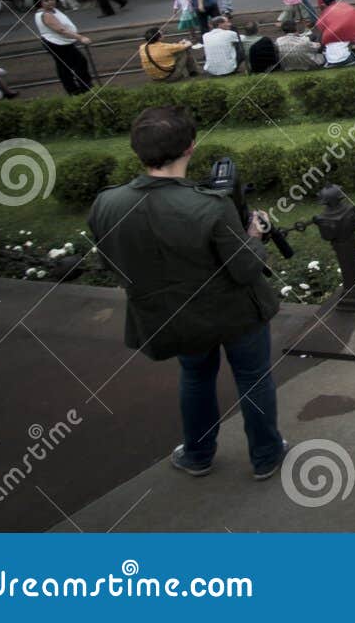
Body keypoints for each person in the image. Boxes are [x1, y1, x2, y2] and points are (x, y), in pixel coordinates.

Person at [89, 106, 286, 479]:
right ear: (191, 147)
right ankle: (266, 455)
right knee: (254, 379)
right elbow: (245, 268)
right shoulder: (209, 204)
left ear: (137, 150)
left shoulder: (107, 203)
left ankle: (197, 454)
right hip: (235, 315)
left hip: (174, 318)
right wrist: (254, 237)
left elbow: (112, 263)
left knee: (195, 378)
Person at [35, 0, 92, 94]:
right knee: (79, 62)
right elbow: (61, 30)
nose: (50, 2)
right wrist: (80, 37)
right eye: (46, 1)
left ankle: (74, 89)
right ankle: (83, 86)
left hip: (60, 41)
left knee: (64, 66)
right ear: (40, 3)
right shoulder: (46, 14)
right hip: (57, 43)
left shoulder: (51, 11)